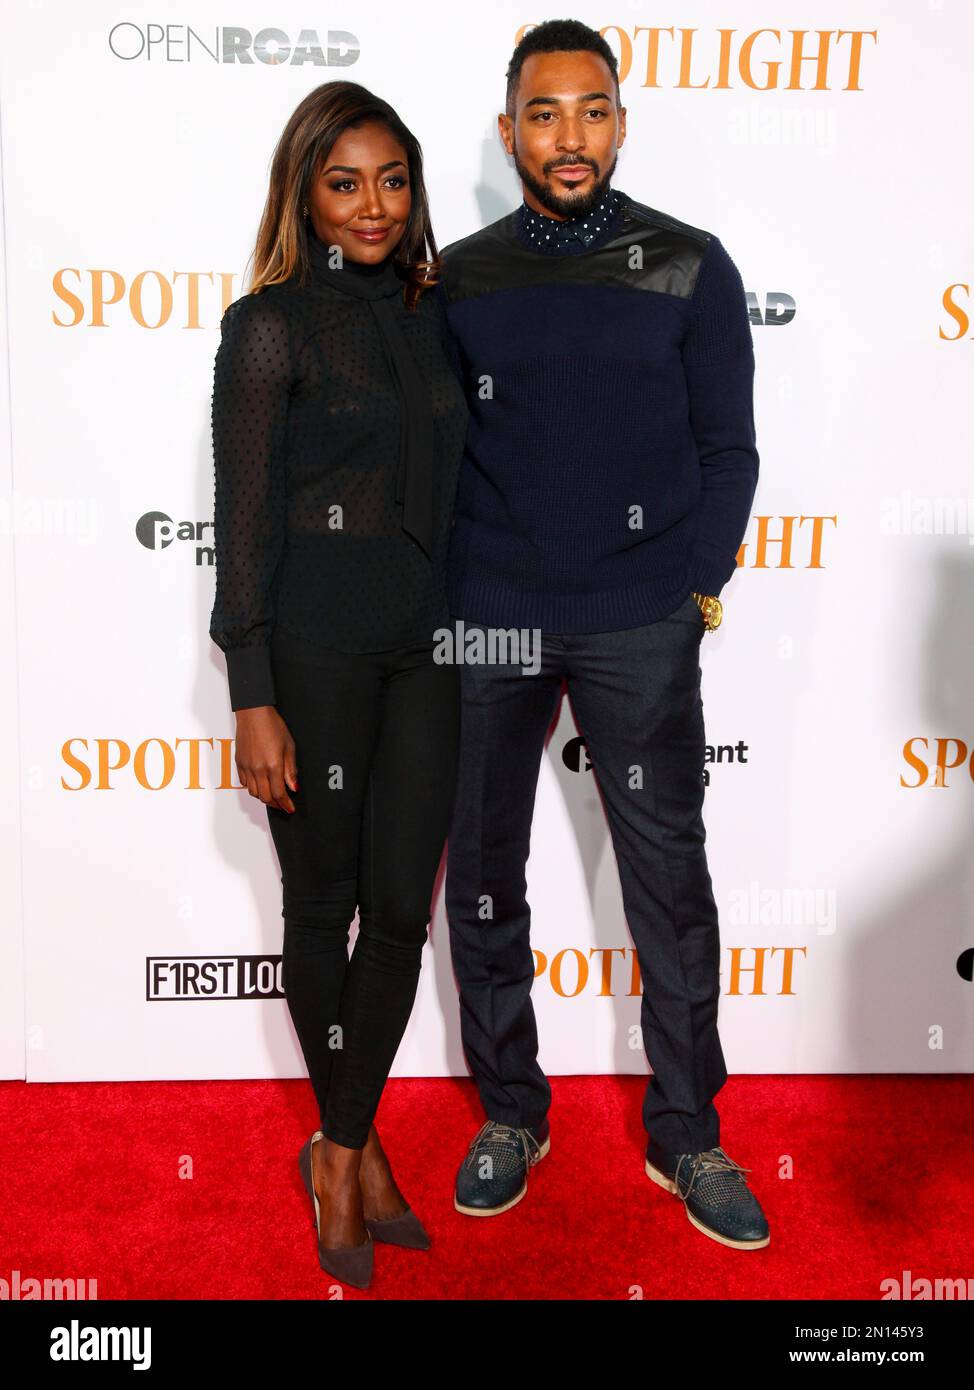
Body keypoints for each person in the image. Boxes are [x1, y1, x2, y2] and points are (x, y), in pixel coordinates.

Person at [438, 19, 770, 1250]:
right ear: (510, 127)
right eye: (542, 112)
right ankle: (511, 1109)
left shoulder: (689, 263)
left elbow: (726, 448)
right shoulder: (460, 277)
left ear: (619, 124)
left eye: (589, 111)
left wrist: (687, 589)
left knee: (667, 882)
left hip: (636, 616)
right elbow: (437, 455)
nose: (566, 136)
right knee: (480, 872)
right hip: (485, 619)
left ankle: (687, 1133)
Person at [208, 81, 469, 1289]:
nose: (373, 206)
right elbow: (245, 520)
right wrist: (249, 688)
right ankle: (345, 1156)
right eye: (344, 182)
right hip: (311, 653)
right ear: (305, 194)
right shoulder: (272, 327)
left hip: (428, 650)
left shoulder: (435, 311)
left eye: (393, 180)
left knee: (404, 913)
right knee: (323, 914)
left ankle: (341, 1143)